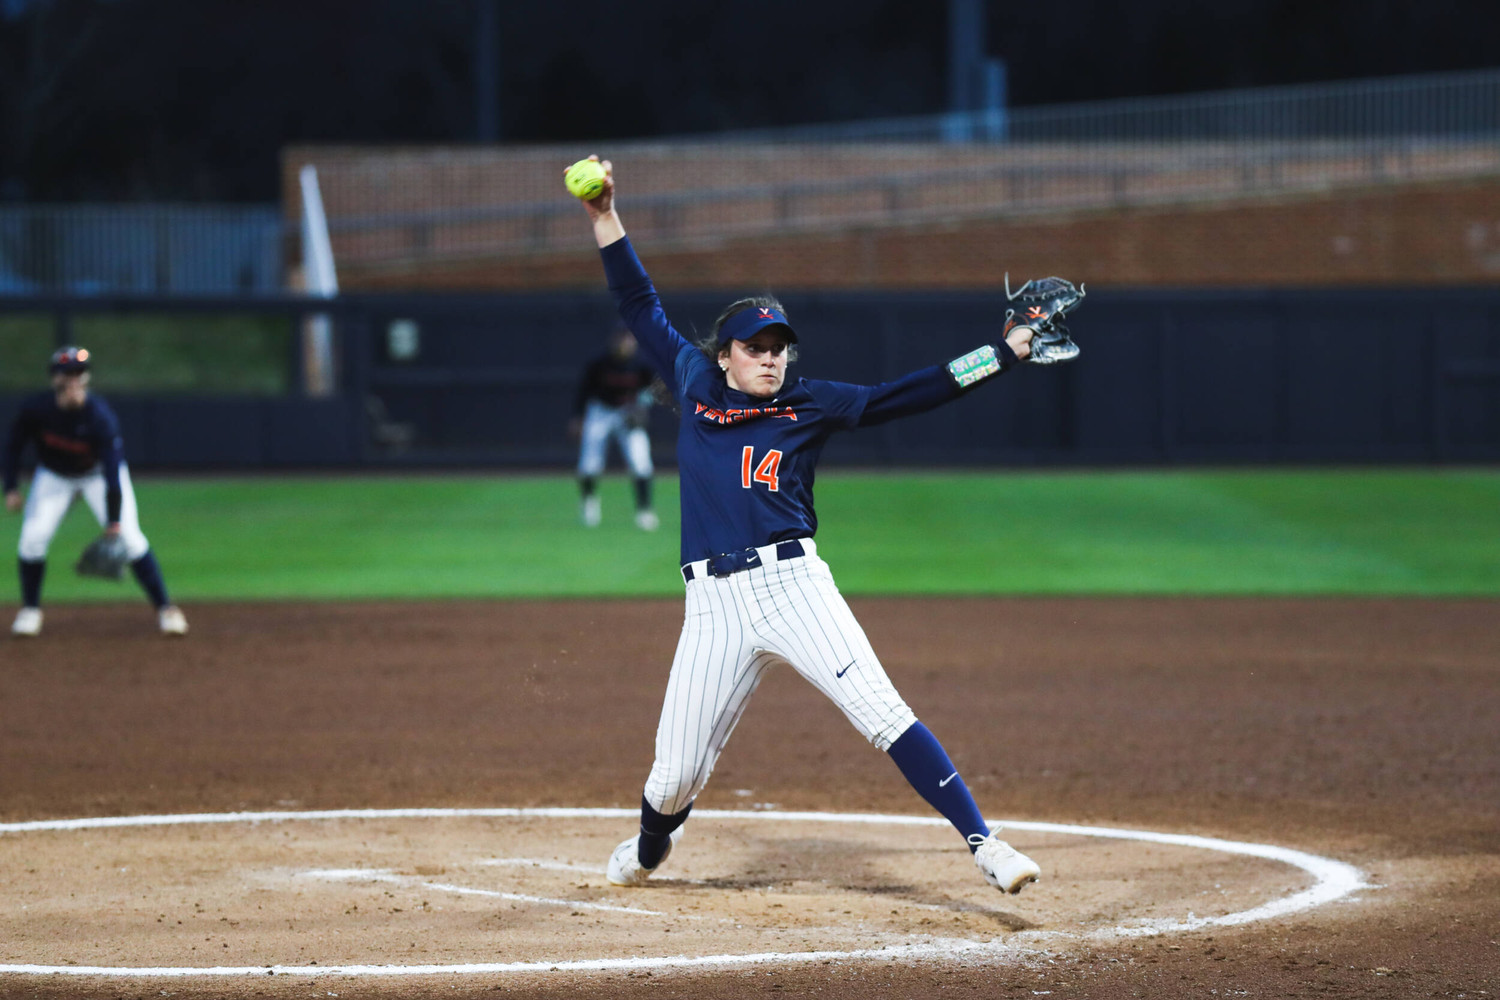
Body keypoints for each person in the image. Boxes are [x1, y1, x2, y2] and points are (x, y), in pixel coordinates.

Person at [572, 156, 1076, 896]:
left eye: (779, 348)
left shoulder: (813, 403)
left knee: (882, 712)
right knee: (674, 774)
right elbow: (637, 302)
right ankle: (650, 851)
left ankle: (985, 844)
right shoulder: (690, 378)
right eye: (756, 348)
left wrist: (1000, 353)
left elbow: (911, 394)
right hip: (711, 605)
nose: (771, 359)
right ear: (726, 356)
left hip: (794, 587)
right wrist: (603, 214)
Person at [4, 346, 188, 637]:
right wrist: (11, 486)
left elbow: (113, 472)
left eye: (79, 373)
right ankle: (30, 611)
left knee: (129, 538)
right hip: (55, 476)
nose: (74, 380)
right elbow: (13, 445)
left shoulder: (99, 417)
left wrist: (113, 522)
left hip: (97, 476)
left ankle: (167, 609)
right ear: (55, 379)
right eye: (68, 374)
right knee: (32, 539)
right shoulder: (36, 409)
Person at [569, 325, 659, 530]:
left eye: (629, 340)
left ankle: (644, 511)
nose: (625, 344)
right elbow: (584, 391)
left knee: (640, 461)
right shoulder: (599, 363)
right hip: (601, 411)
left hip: (627, 413)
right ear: (614, 341)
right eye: (621, 339)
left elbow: (652, 389)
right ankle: (589, 504)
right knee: (590, 463)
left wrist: (642, 405)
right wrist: (578, 417)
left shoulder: (641, 364)